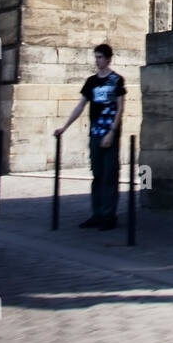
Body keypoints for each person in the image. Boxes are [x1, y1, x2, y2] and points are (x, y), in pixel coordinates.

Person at [54, 43, 126, 230]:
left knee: (110, 175)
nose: (97, 61)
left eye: (100, 57)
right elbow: (81, 106)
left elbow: (120, 108)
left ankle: (109, 216)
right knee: (97, 174)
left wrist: (112, 132)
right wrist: (64, 127)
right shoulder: (91, 81)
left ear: (108, 59)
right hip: (95, 133)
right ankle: (97, 213)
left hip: (109, 134)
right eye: (96, 57)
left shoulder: (117, 80)